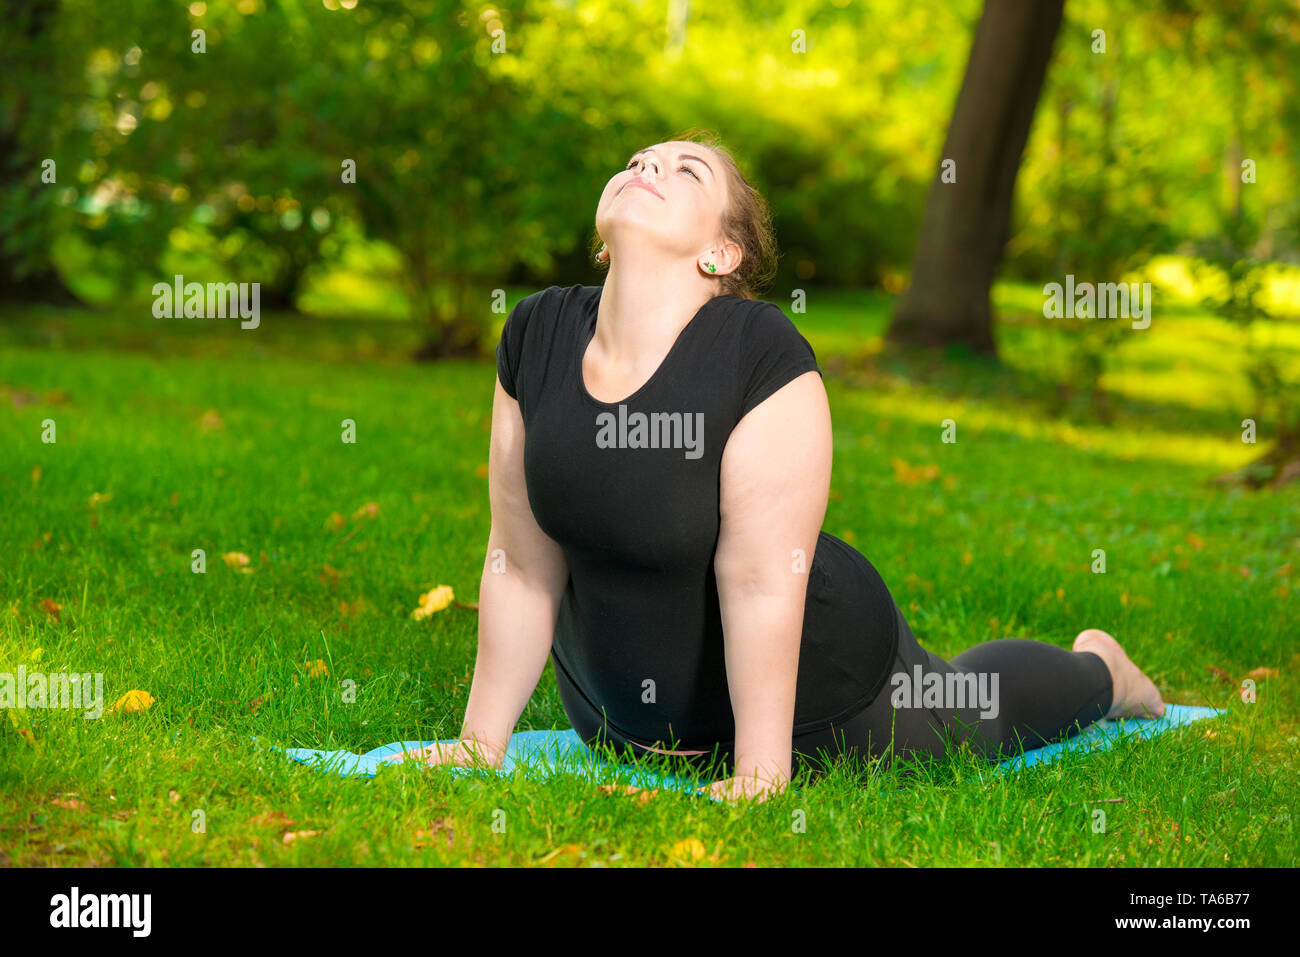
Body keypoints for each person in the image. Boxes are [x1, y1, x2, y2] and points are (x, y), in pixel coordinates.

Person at [391, 132, 1166, 803]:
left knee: (971, 715)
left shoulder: (760, 354)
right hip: (616, 717)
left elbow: (762, 579)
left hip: (816, 695)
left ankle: (1101, 670)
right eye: (639, 160)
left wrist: (763, 773)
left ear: (721, 253)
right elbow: (522, 565)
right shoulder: (537, 333)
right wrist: (477, 746)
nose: (647, 167)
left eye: (686, 170)